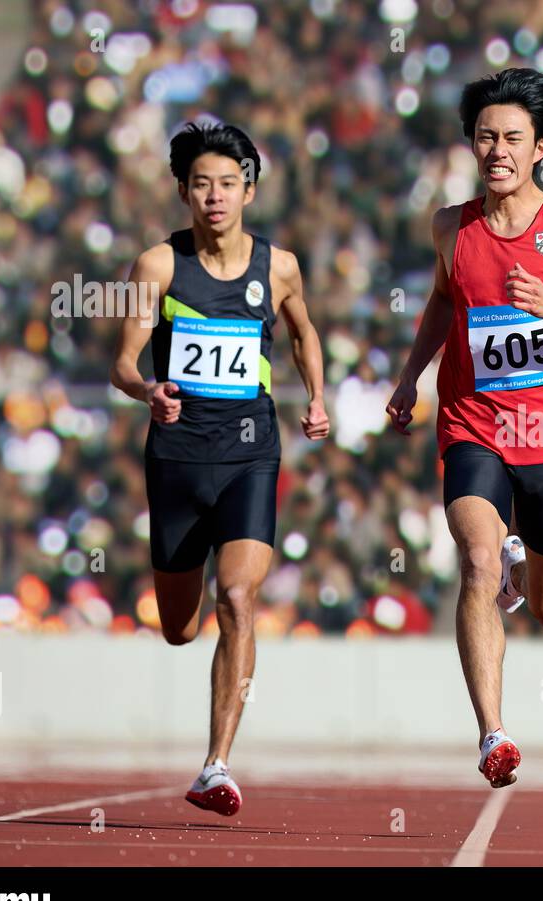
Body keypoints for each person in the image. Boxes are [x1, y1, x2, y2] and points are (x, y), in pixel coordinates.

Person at [386, 68, 543, 787]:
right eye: (486, 137)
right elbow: (441, 300)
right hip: (476, 428)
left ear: (540, 148)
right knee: (476, 562)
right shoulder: (449, 228)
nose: (497, 150)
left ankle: (529, 561)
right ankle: (493, 732)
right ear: (472, 144)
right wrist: (411, 375)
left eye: (512, 139)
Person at [109, 122, 329, 815]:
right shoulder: (158, 266)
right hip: (176, 460)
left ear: (249, 191)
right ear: (183, 191)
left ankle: (216, 764)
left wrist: (317, 396)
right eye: (201, 183)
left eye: (228, 183)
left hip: (250, 454)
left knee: (238, 599)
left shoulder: (280, 265)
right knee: (180, 627)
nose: (214, 195)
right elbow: (122, 360)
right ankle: (203, 643)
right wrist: (148, 389)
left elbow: (302, 330)